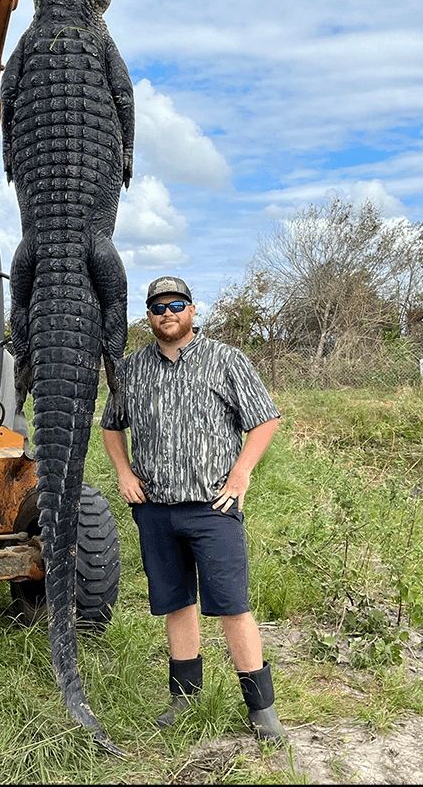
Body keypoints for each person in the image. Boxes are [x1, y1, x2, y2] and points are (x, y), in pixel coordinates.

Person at [101, 275, 286, 743]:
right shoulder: (129, 370)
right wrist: (124, 473)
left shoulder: (226, 361)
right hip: (156, 508)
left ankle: (261, 710)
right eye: (158, 307)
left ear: (192, 310)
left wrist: (241, 474)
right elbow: (111, 426)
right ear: (148, 316)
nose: (168, 313)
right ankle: (184, 699)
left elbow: (265, 420)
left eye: (176, 304)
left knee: (232, 605)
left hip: (212, 507)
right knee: (176, 603)